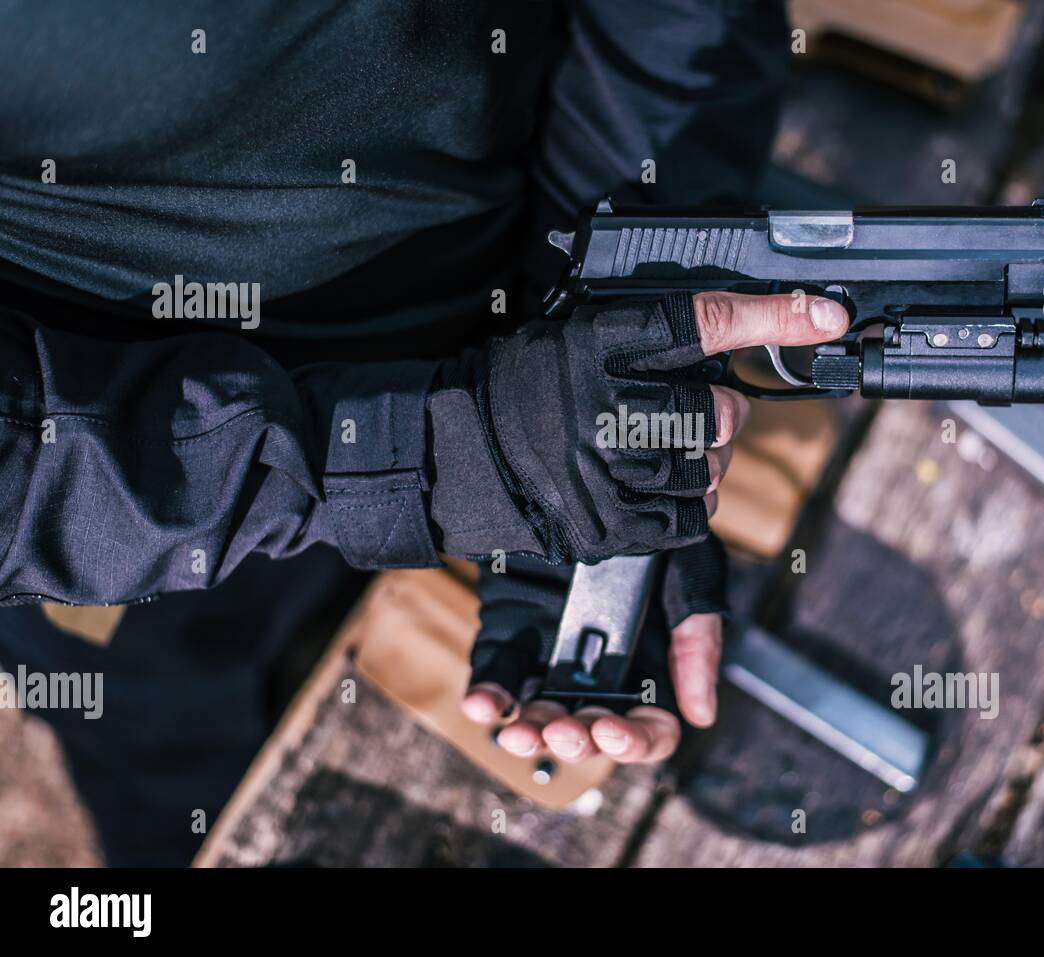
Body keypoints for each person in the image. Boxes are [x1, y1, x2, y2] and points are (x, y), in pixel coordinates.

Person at [0, 0, 847, 864]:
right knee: (174, 745)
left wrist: (612, 319)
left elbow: (677, 21)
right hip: (135, 485)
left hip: (511, 336)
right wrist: (428, 456)